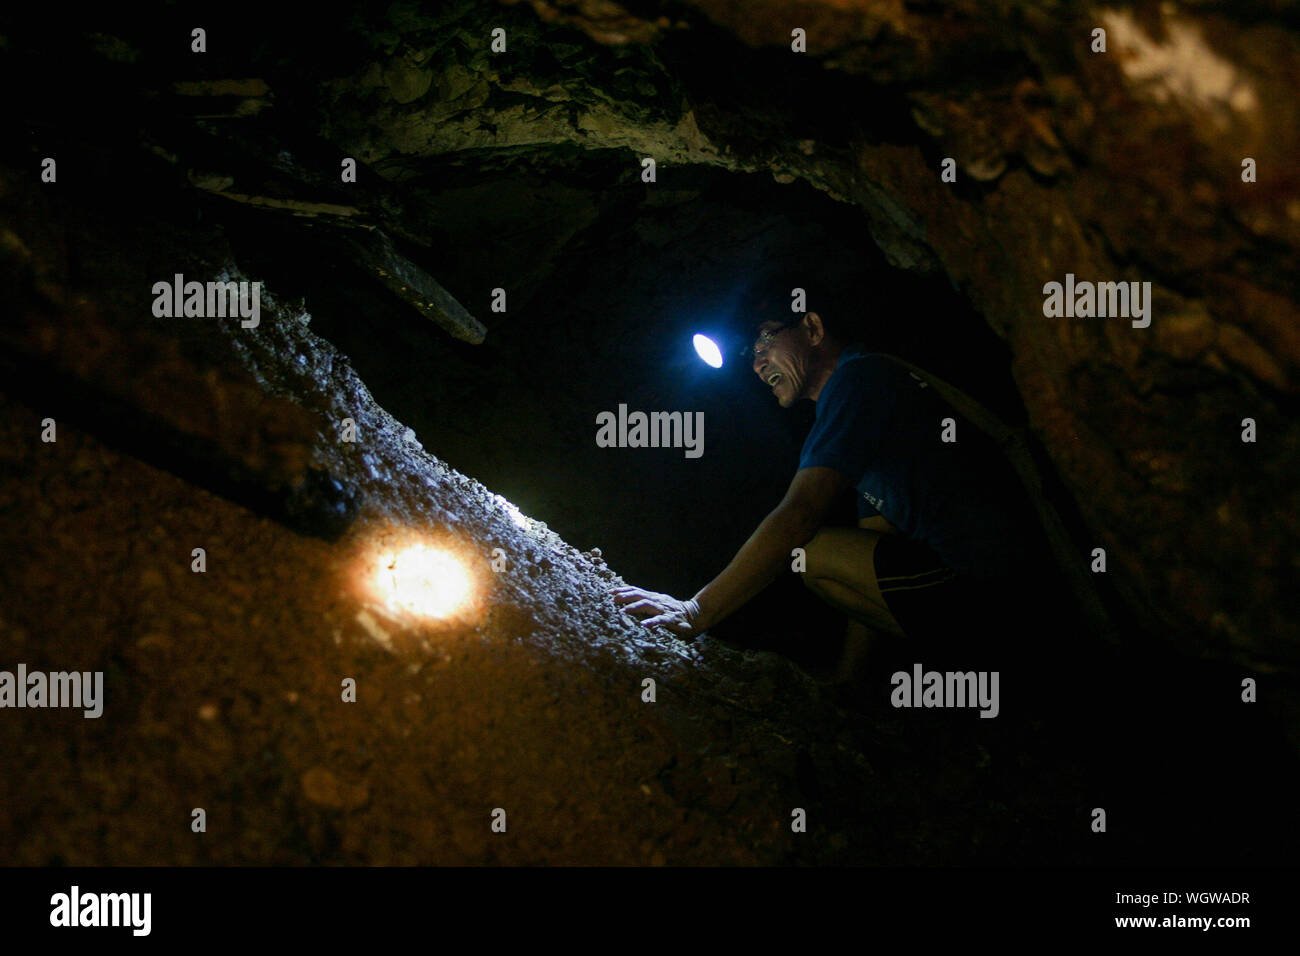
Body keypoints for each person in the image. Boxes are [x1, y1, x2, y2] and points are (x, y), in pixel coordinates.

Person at [611, 285, 1052, 680]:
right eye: (749, 356)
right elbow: (875, 542)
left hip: (995, 589)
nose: (757, 363)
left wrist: (696, 611)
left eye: (763, 340)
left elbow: (800, 512)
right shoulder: (862, 399)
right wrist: (846, 681)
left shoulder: (859, 380)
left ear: (813, 328)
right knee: (823, 567)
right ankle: (900, 677)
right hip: (990, 595)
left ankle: (1002, 660)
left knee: (811, 551)